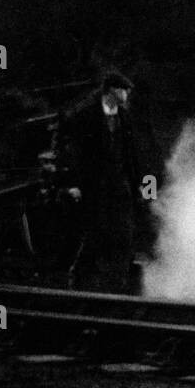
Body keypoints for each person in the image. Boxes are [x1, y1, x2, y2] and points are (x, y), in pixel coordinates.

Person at [59, 71, 143, 293]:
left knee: (124, 231)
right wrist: (74, 183)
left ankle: (118, 281)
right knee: (96, 232)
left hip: (120, 183)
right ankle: (78, 275)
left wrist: (138, 183)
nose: (127, 93)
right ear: (111, 91)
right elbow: (75, 153)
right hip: (96, 184)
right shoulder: (86, 117)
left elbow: (131, 154)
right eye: (123, 89)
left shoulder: (125, 117)